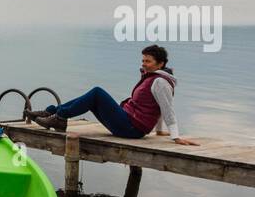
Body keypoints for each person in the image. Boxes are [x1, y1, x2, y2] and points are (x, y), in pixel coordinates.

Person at [28, 45, 199, 145]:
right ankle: (53, 113)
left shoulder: (160, 82)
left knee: (97, 93)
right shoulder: (153, 78)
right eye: (143, 60)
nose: (144, 64)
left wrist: (176, 137)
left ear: (160, 63)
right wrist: (159, 131)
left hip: (132, 129)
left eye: (148, 61)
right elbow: (156, 107)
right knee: (93, 99)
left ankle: (57, 116)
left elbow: (166, 108)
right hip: (127, 122)